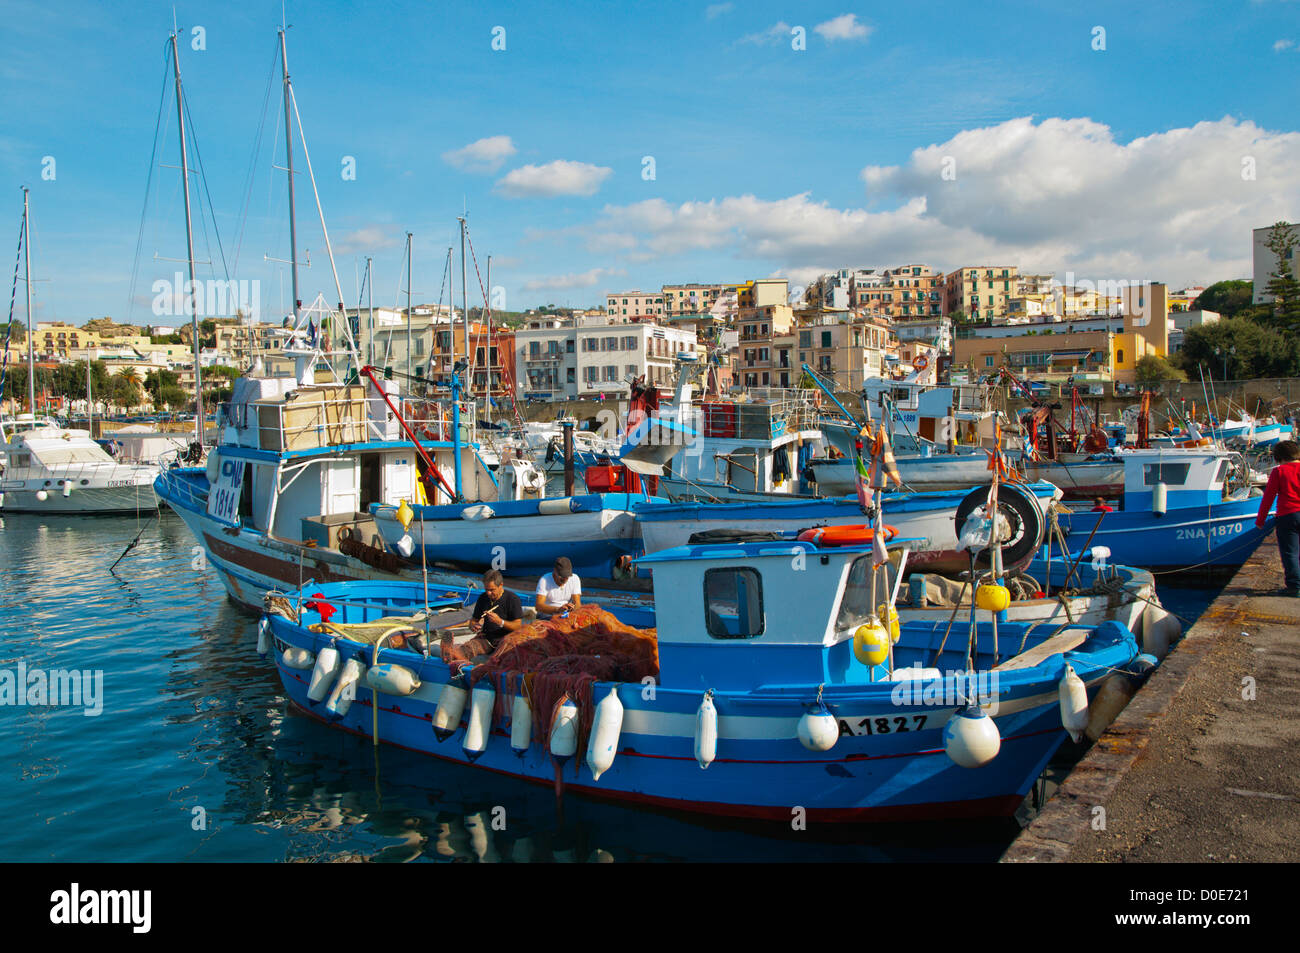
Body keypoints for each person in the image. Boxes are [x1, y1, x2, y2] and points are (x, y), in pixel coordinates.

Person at [1256, 440, 1300, 597]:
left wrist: (1260, 520)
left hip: (1287, 515)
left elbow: (1268, 498)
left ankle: (1295, 587)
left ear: (1279, 457)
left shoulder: (1279, 471)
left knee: (1290, 552)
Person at [457, 569, 524, 657]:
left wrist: (500, 622)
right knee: (468, 649)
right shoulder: (483, 598)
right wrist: (473, 626)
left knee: (506, 656)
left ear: (501, 585)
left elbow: (518, 626)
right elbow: (473, 620)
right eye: (486, 589)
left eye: (492, 590)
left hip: (507, 640)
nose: (488, 593)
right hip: (487, 639)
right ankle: (453, 653)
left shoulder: (513, 599)